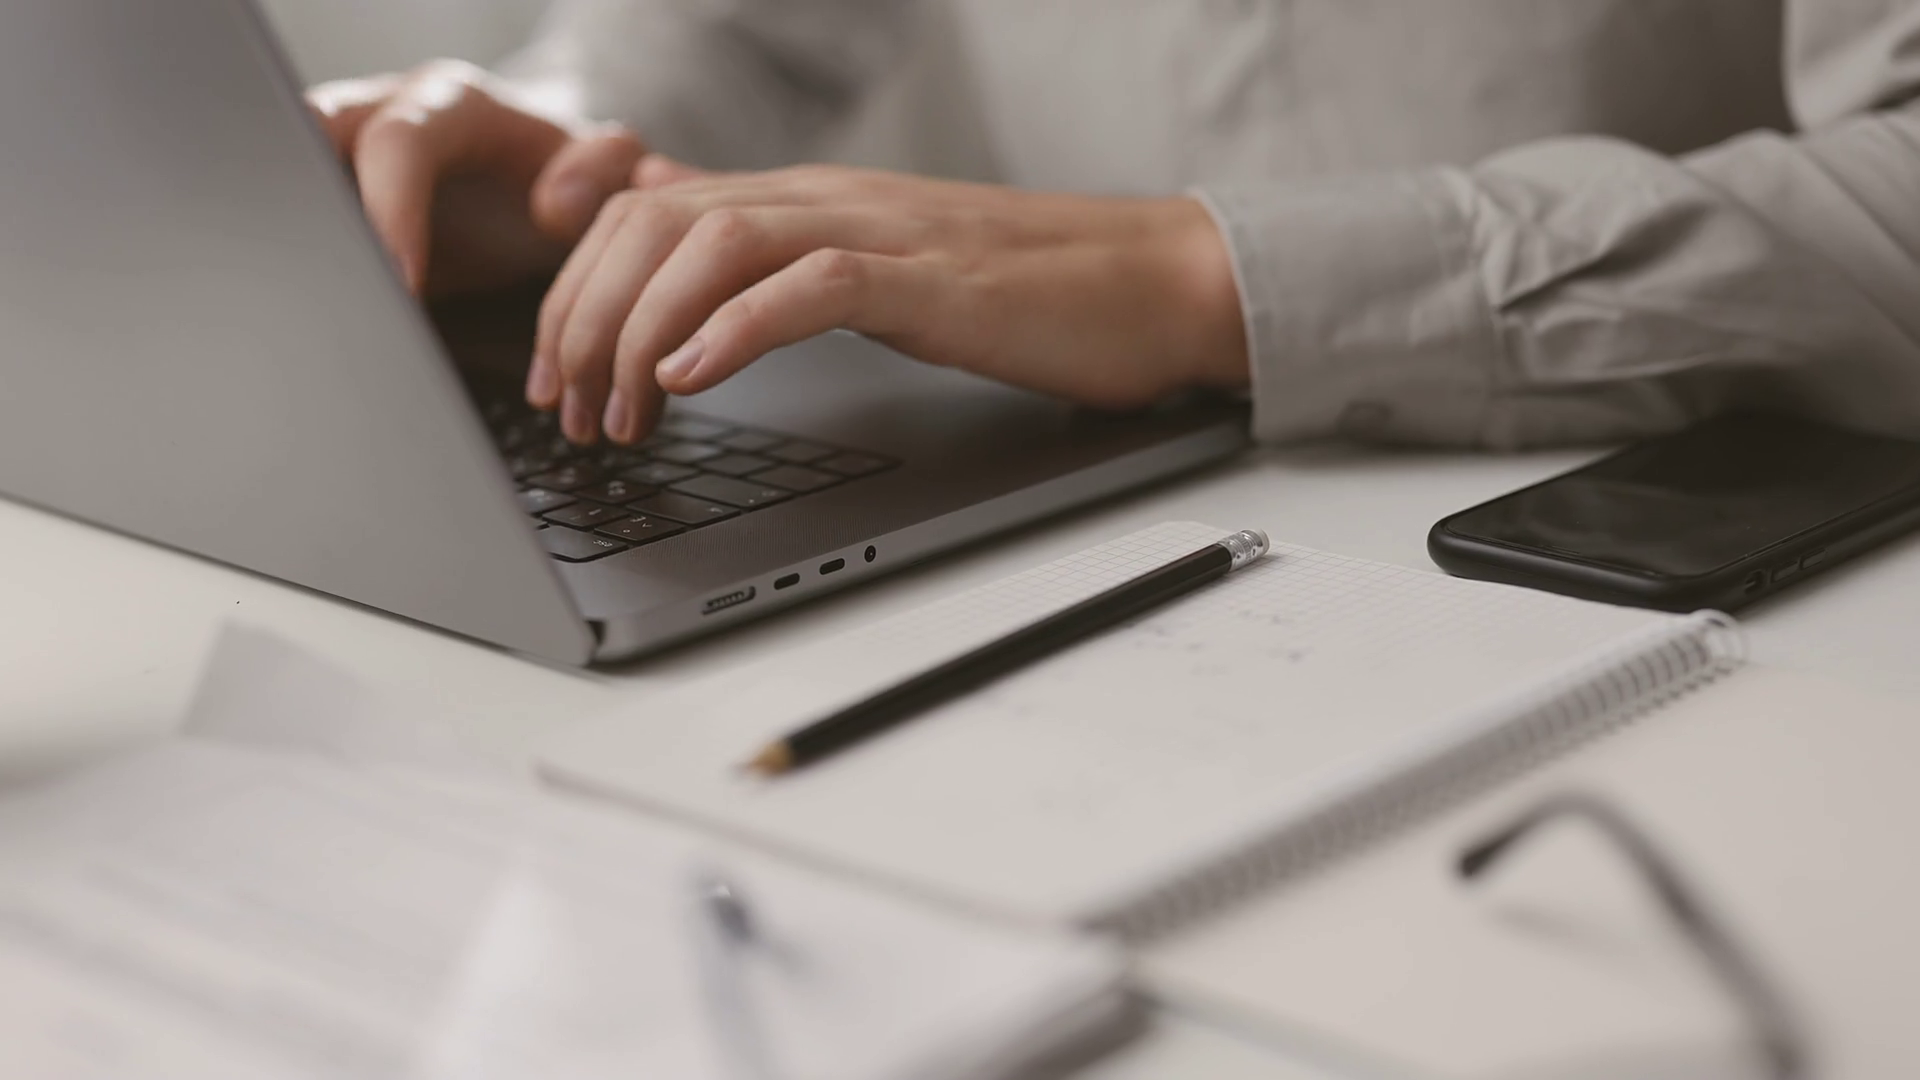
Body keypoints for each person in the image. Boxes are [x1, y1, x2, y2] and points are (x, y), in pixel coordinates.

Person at [309, 0, 1920, 450]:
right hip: (1058, 508)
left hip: (1648, 525)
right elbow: (736, 28)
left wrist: (1192, 276)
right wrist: (572, 154)